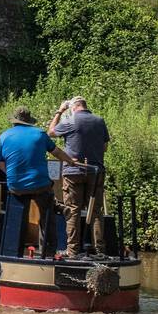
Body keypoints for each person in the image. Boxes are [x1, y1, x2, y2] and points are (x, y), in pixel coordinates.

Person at [0, 107, 78, 258]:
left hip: (16, 186)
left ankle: (13, 252)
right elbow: (57, 152)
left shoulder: (4, 136)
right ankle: (48, 252)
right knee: (47, 217)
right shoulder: (40, 134)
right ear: (29, 122)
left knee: (19, 218)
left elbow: (0, 165)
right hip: (40, 184)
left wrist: (13, 177)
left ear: (14, 122)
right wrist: (70, 161)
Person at [47, 96, 110, 257]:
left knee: (73, 210)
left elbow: (51, 132)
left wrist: (60, 111)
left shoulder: (71, 120)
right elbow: (104, 148)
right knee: (96, 211)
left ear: (73, 107)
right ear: (84, 105)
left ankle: (73, 251)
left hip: (73, 172)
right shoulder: (99, 121)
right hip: (95, 172)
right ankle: (100, 250)